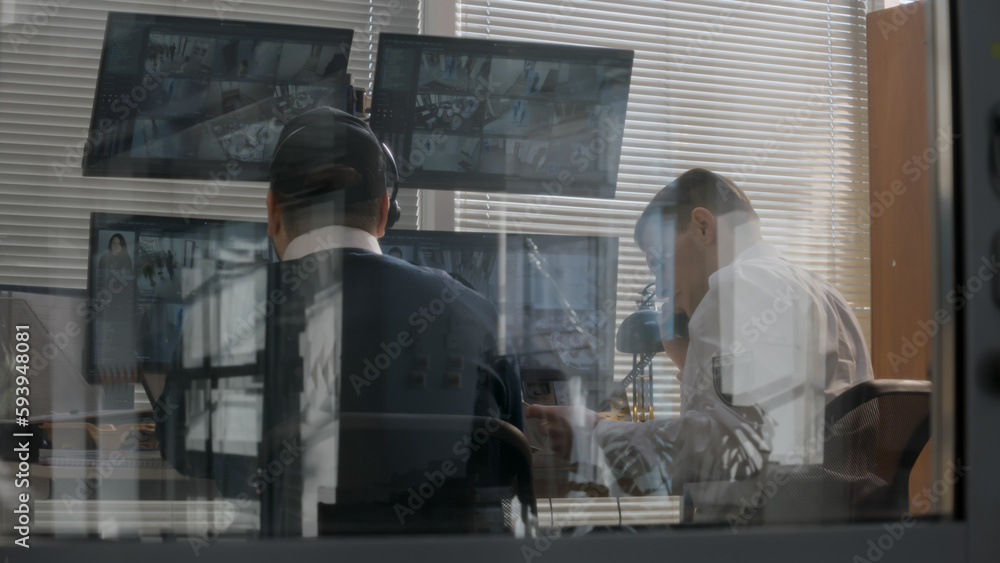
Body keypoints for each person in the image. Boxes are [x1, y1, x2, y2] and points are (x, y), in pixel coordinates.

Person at [156, 107, 523, 531]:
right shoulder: (476, 312)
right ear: (386, 212)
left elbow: (182, 449)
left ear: (273, 210)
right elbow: (509, 456)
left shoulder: (221, 313)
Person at [526, 168, 875, 522]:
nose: (661, 287)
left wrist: (597, 435)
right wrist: (690, 365)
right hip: (820, 533)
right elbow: (768, 426)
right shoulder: (824, 293)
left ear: (703, 227)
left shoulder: (738, 286)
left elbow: (734, 446)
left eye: (658, 263)